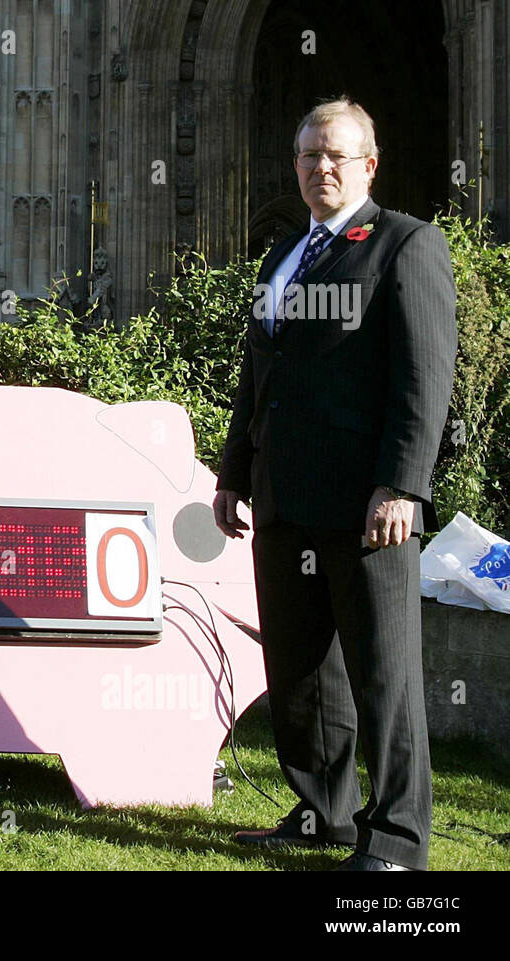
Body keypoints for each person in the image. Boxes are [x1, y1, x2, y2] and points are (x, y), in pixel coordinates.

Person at [214, 98, 458, 871]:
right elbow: (260, 372)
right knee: (301, 677)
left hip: (366, 507)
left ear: (368, 166)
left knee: (385, 679)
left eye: (337, 156)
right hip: (286, 502)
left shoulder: (405, 246)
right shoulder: (282, 256)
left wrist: (402, 487)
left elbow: (424, 381)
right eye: (309, 155)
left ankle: (396, 843)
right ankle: (325, 814)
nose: (321, 168)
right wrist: (232, 472)